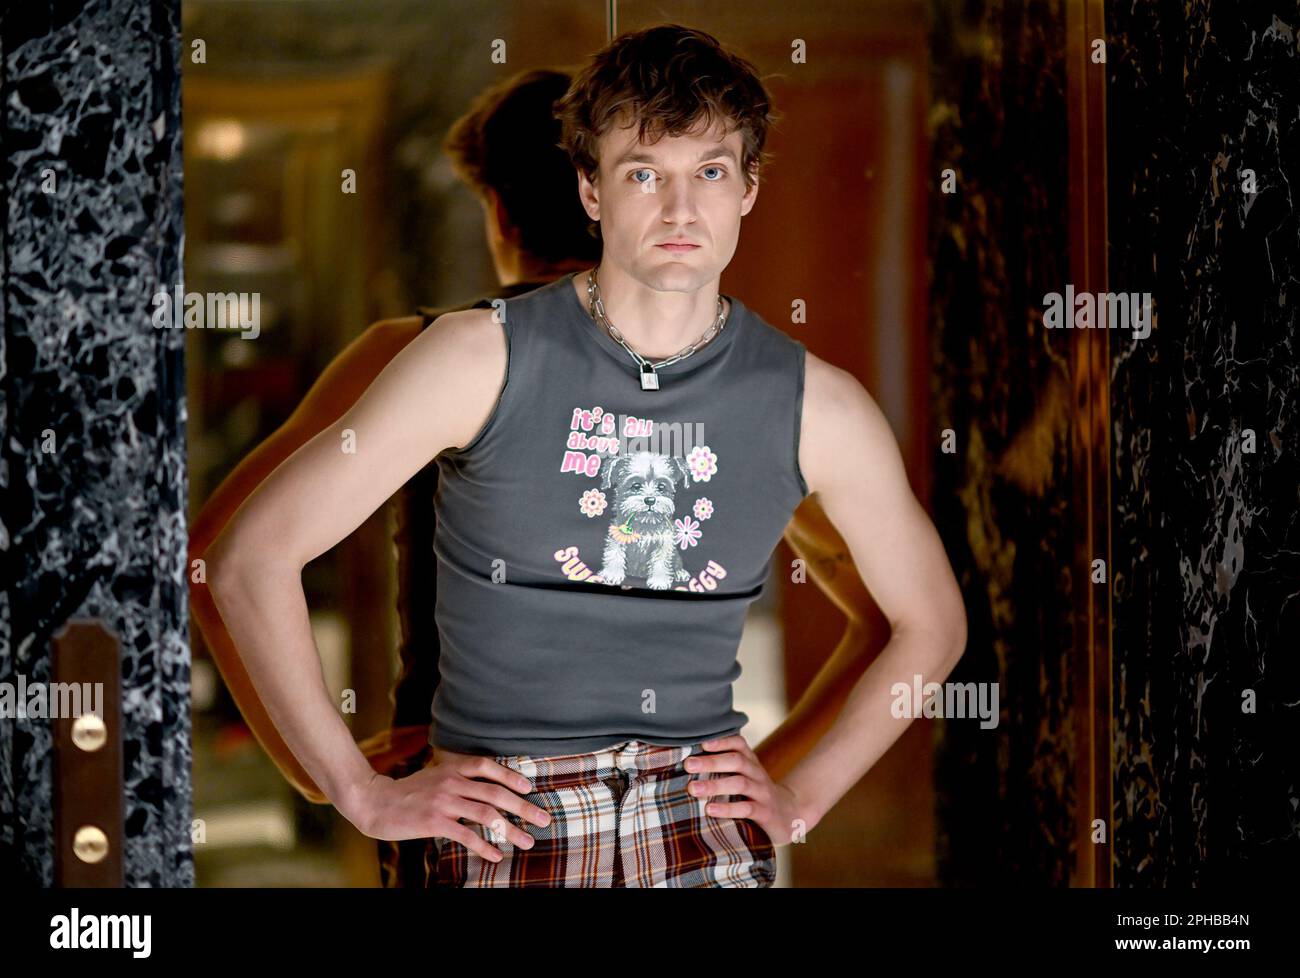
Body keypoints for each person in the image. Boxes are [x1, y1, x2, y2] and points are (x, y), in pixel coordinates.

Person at [199, 25, 965, 887]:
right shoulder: (473, 356)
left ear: (749, 188)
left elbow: (931, 624)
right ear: (591, 190)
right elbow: (242, 558)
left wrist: (799, 797)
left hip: (693, 829)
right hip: (504, 819)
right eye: (644, 173)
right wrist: (349, 791)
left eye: (710, 171)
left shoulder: (816, 404)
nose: (681, 211)